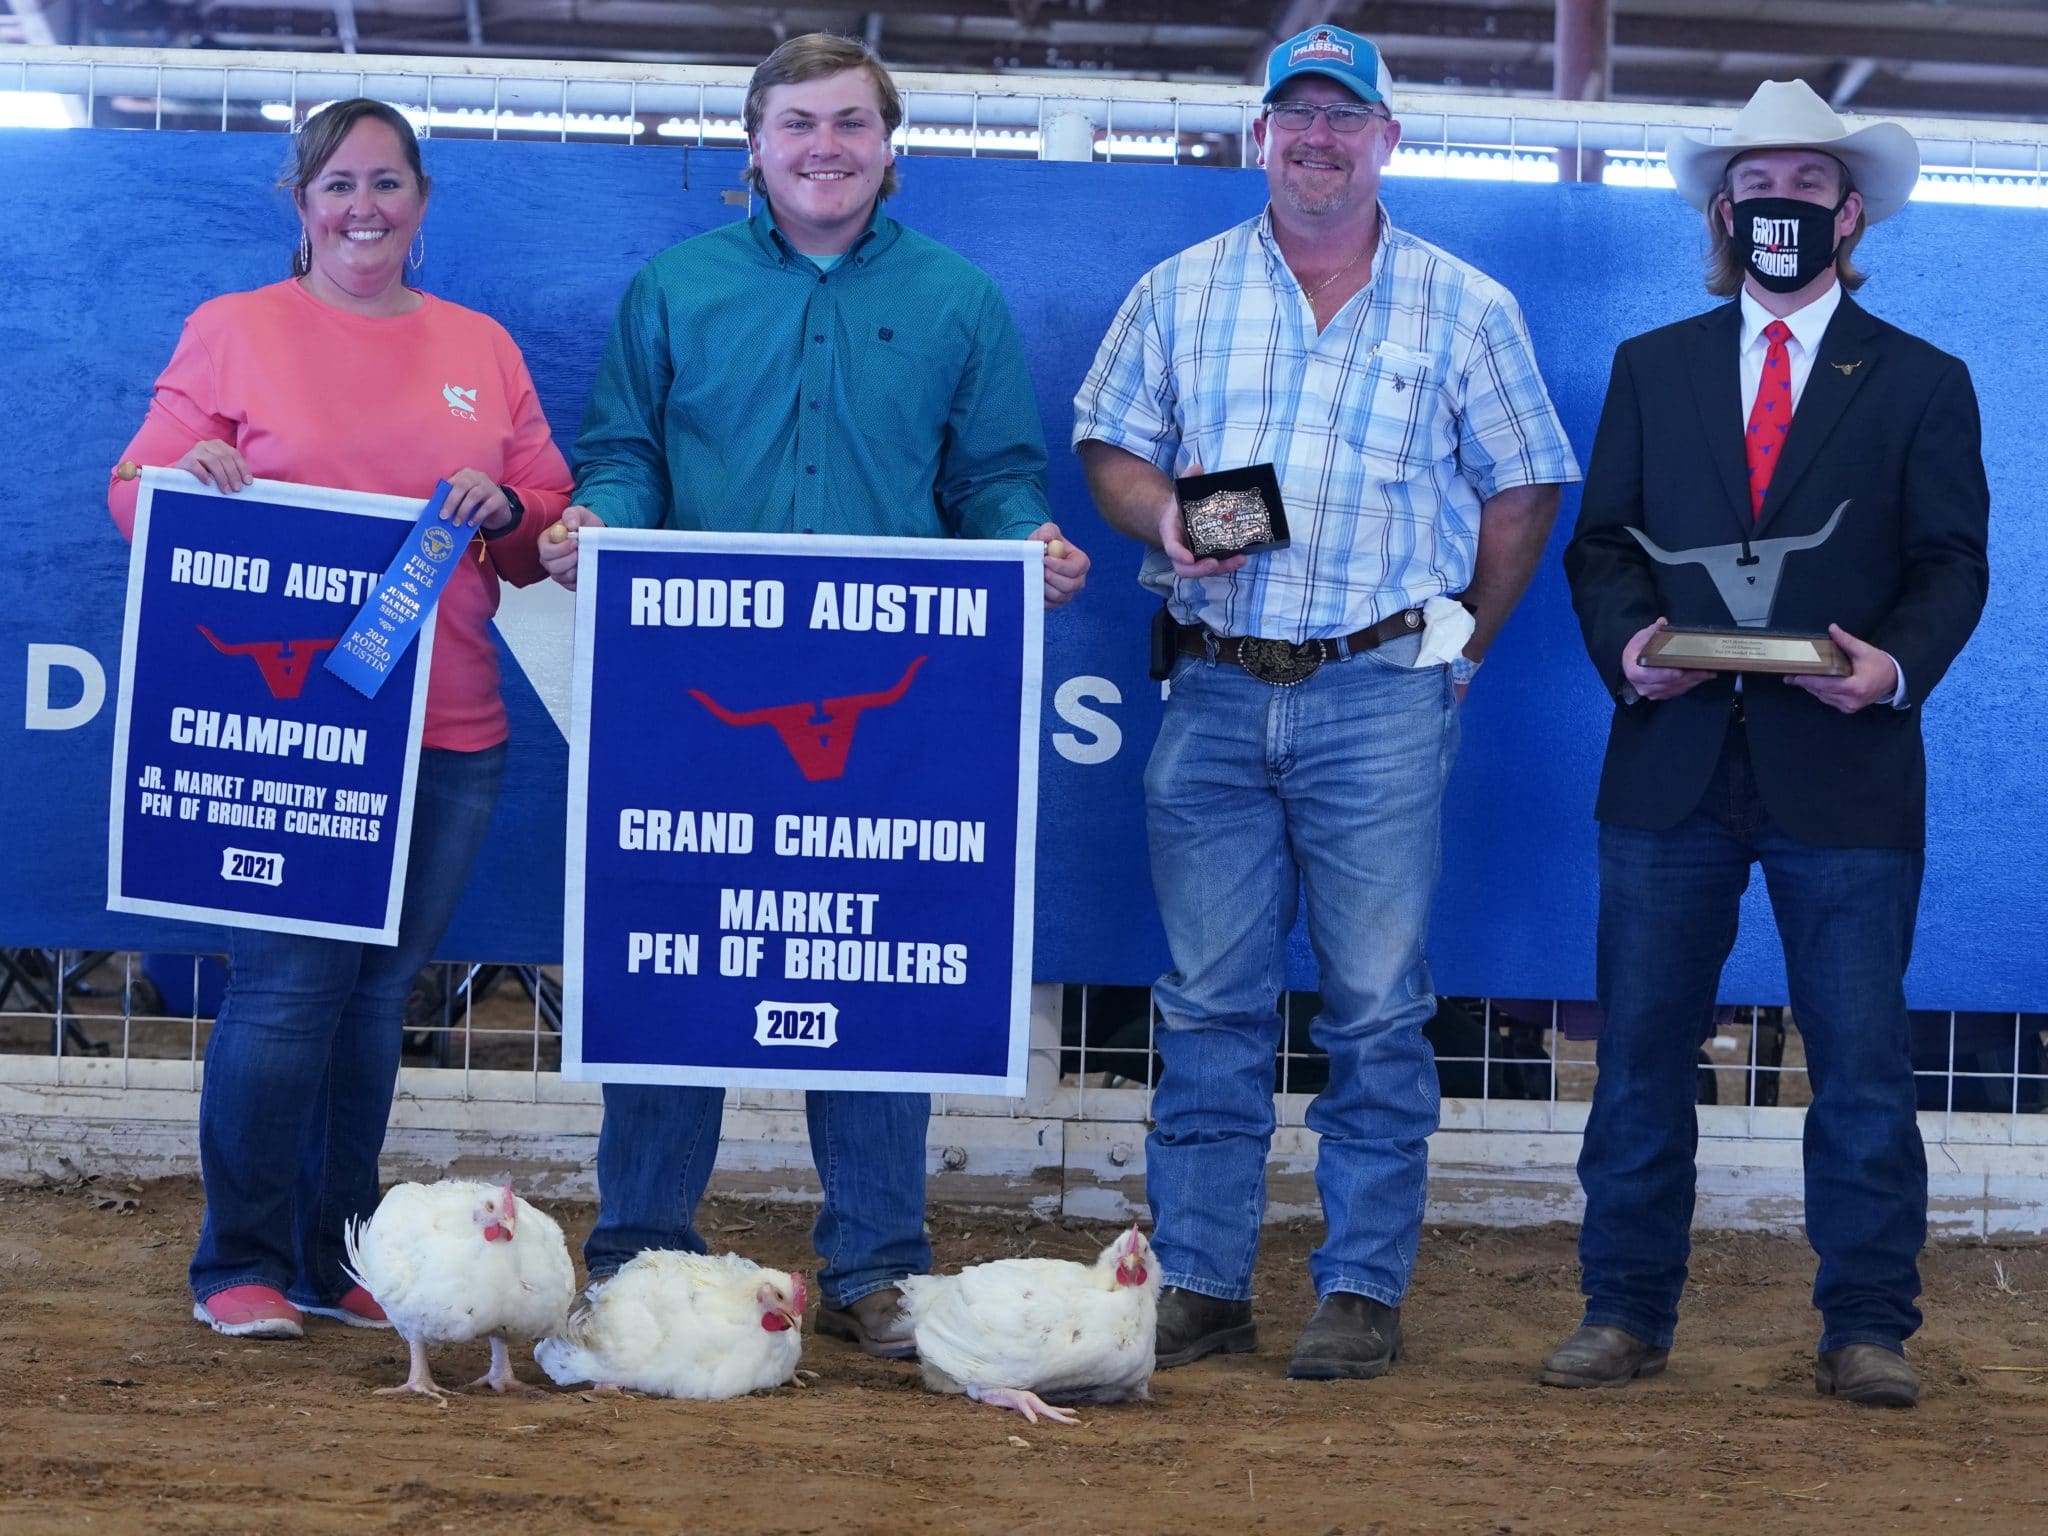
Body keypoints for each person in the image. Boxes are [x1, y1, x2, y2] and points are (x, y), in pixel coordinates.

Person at [540, 33, 1090, 1358]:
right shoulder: (674, 288)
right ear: (754, 145)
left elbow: (994, 480)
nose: (824, 147)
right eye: (798, 123)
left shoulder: (959, 300)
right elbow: (624, 454)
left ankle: (877, 1268)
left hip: (883, 705)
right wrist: (596, 517)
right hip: (697, 686)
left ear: (890, 148)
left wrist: (1027, 542)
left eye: (850, 123)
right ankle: (638, 1258)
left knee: (877, 961)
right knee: (674, 957)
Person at [1071, 22, 1578, 1380]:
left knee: (1373, 1005)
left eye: (1342, 116)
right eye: (1293, 115)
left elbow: (1527, 482)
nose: (1315, 138)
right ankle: (1201, 1283)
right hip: (1215, 684)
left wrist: (1461, 640)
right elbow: (1108, 445)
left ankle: (1359, 1286)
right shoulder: (1179, 290)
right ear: (1260, 136)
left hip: (1379, 689)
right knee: (1208, 1001)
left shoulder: (1464, 306)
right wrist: (1163, 511)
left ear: (1384, 139)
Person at [1549, 80, 1989, 1408]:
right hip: (1667, 765)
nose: (1778, 204)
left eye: (1805, 184)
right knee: (1638, 1059)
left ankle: (1868, 1325)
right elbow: (1601, 547)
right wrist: (1628, 646)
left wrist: (1892, 668)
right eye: (1755, 185)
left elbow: (1950, 564)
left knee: (1859, 1067)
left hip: (1845, 770)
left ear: (1849, 215)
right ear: (1722, 213)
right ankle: (1623, 1313)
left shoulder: (1922, 381)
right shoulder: (1652, 368)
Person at [108, 98, 574, 1339]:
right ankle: (241, 1261)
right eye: (338, 185)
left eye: (386, 183)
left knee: (375, 998)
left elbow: (540, 526)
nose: (363, 207)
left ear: (421, 200)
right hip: (292, 737)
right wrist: (186, 476)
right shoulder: (234, 329)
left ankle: (337, 1252)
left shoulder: (481, 345)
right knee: (285, 992)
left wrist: (506, 508)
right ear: (302, 202)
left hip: (451, 727)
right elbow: (132, 494)